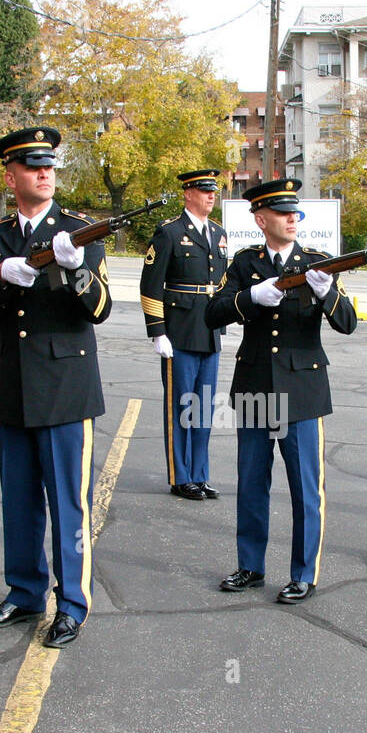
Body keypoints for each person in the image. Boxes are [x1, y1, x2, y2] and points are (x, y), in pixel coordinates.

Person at [0, 127, 111, 648]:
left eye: (49, 164)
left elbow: (100, 309)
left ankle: (72, 603)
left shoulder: (80, 231)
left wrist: (72, 271)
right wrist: (4, 276)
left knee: (69, 502)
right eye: (31, 165)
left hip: (66, 386)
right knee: (19, 499)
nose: (44, 172)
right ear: (11, 175)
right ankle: (24, 593)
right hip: (16, 386)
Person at [205, 179, 356, 603]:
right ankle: (250, 566)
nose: (293, 218)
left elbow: (347, 322)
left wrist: (326, 292)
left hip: (302, 388)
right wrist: (252, 296)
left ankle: (303, 573)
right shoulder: (244, 263)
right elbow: (212, 314)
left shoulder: (318, 263)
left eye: (296, 213)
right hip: (255, 385)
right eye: (283, 212)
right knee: (252, 482)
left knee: (305, 486)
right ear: (260, 219)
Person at [139, 169, 228, 500]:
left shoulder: (219, 233)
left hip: (209, 332)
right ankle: (181, 477)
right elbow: (150, 285)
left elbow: (220, 283)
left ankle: (200, 474)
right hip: (179, 333)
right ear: (188, 193)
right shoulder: (169, 233)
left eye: (213, 191)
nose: (210, 195)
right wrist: (157, 332)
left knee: (204, 408)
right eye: (204, 190)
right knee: (180, 407)